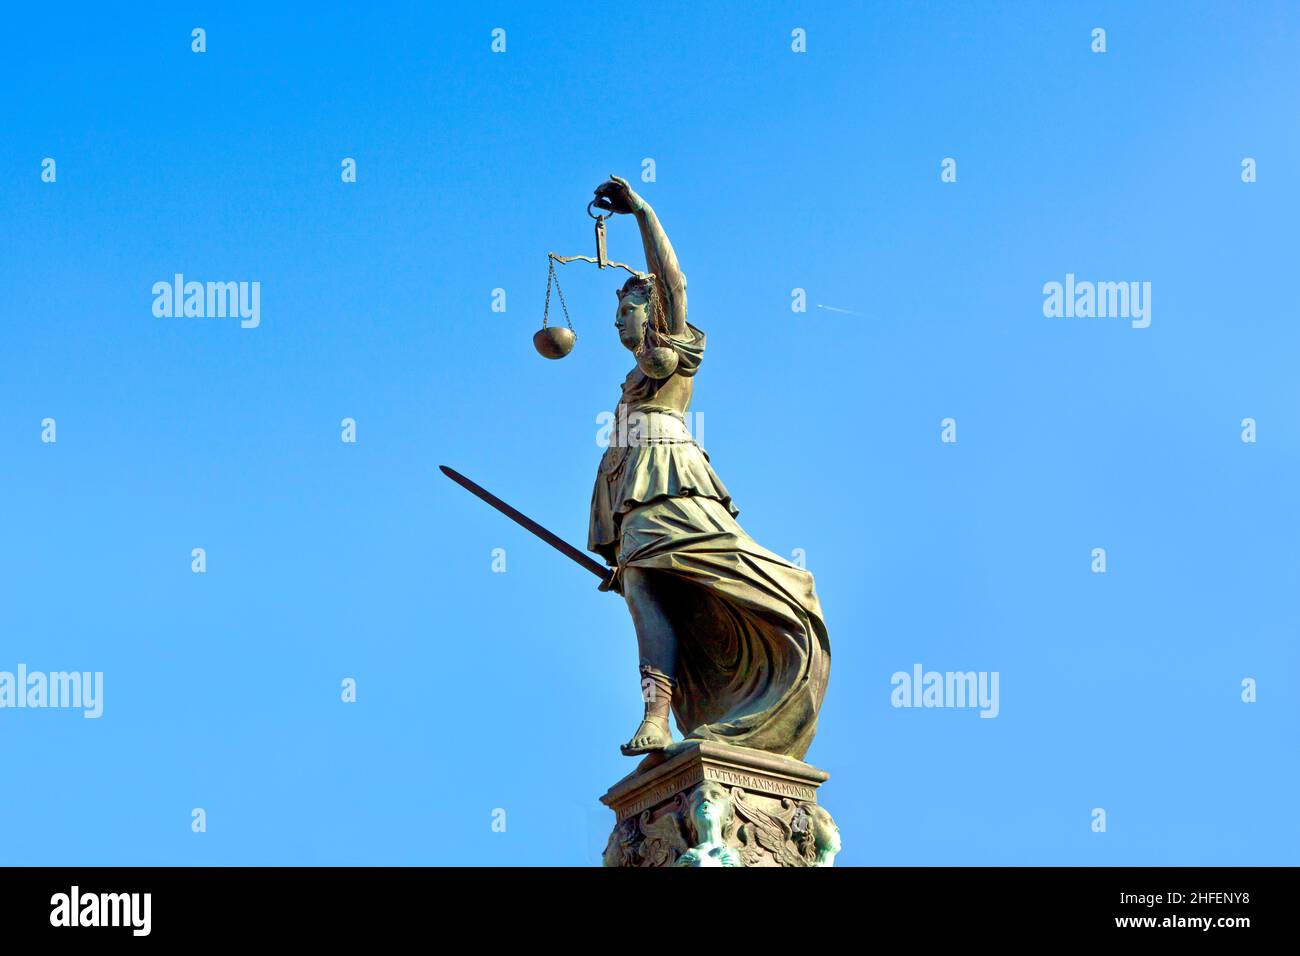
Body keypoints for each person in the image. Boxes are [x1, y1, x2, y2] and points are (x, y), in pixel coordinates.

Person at [588, 175, 831, 760]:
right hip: (629, 484)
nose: (618, 322)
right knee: (646, 588)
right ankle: (655, 716)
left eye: (627, 308)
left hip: (670, 474)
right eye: (617, 312)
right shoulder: (629, 384)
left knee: (680, 574)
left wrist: (642, 212)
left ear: (651, 310)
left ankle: (787, 599)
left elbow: (672, 279)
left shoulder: (673, 341)